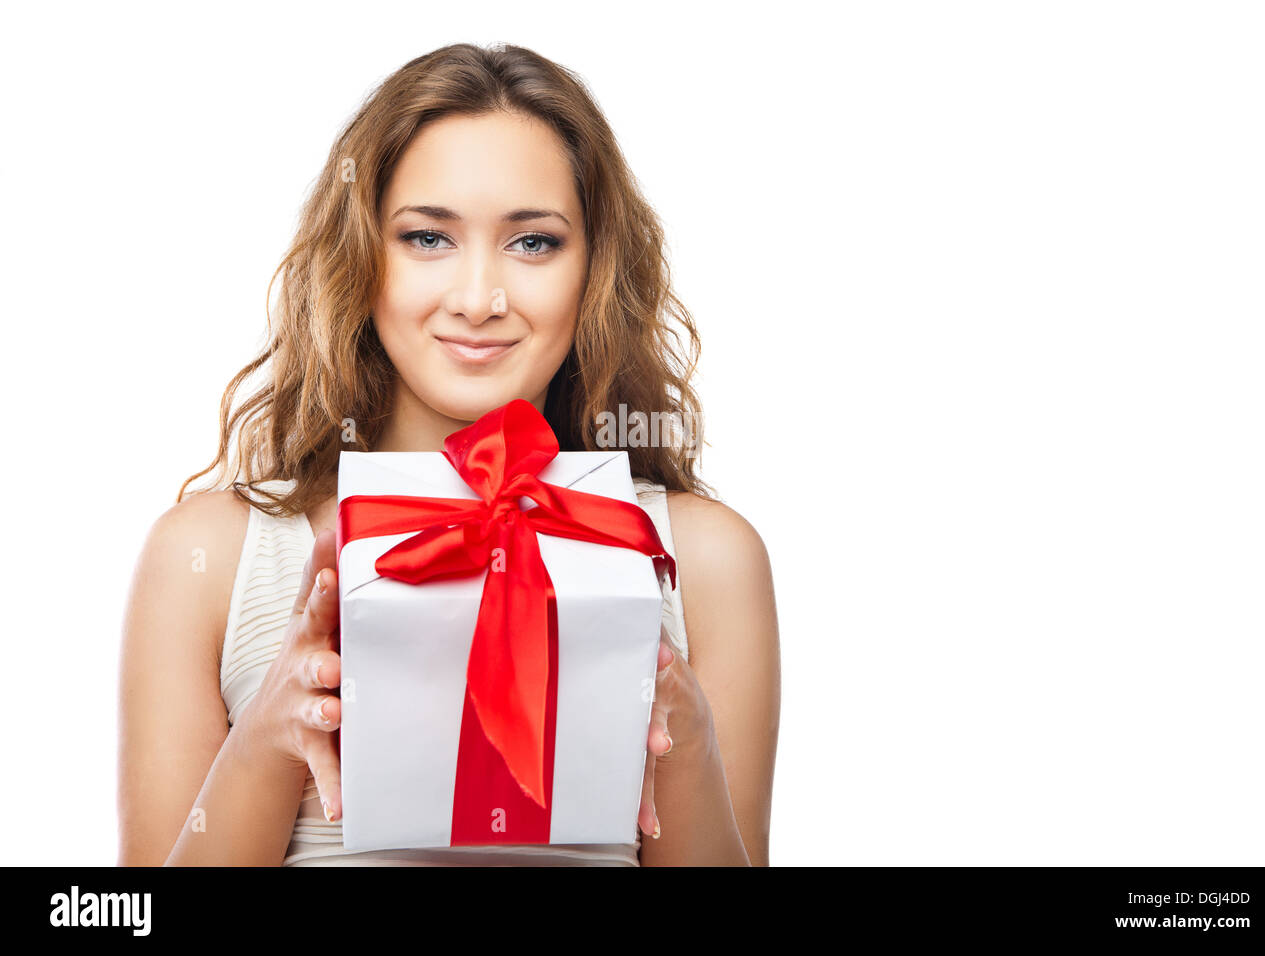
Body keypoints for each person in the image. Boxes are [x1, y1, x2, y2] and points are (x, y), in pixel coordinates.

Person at [118, 42, 779, 866]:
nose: (478, 299)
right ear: (363, 260)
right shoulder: (211, 556)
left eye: (533, 243)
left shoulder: (701, 560)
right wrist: (266, 742)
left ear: (593, 270)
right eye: (428, 238)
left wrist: (684, 742)